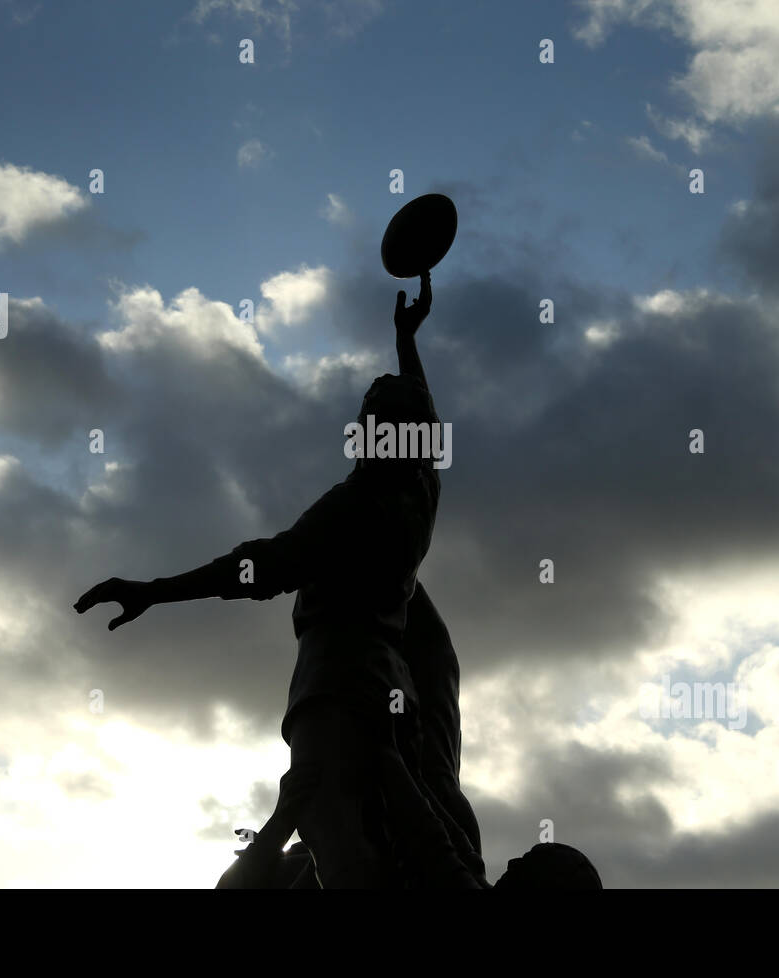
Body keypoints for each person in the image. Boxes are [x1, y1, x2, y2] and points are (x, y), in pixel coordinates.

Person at [76, 272, 478, 888]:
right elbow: (420, 409)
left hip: (337, 691)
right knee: (404, 845)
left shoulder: (353, 509)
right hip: (396, 695)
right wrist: (406, 340)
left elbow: (256, 567)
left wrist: (152, 590)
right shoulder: (420, 496)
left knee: (348, 858)